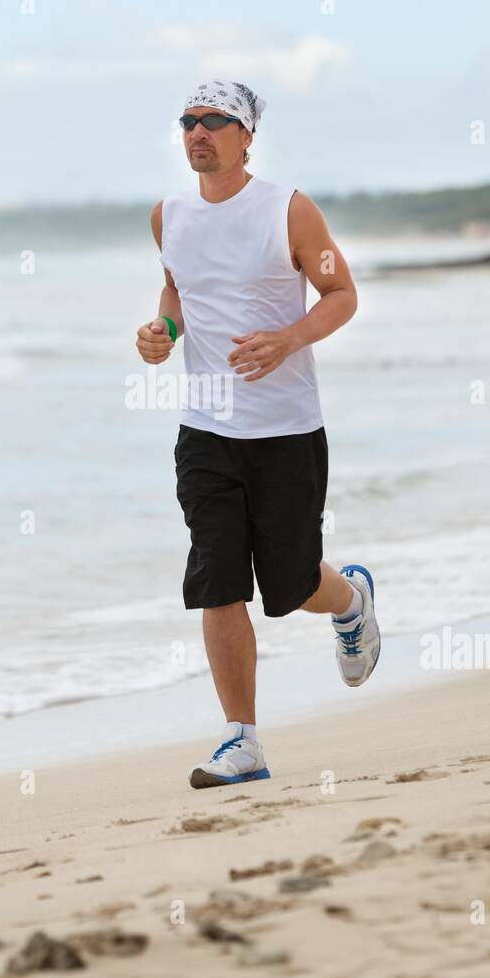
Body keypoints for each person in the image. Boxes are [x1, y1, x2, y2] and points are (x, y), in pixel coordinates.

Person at [136, 79, 380, 789]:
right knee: (216, 578)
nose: (197, 131)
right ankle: (242, 741)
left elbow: (341, 294)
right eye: (188, 120)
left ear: (246, 136)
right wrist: (163, 329)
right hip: (205, 429)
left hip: (286, 430)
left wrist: (288, 338)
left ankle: (349, 601)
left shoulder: (289, 210)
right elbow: (180, 291)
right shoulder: (168, 216)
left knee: (292, 584)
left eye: (215, 120)